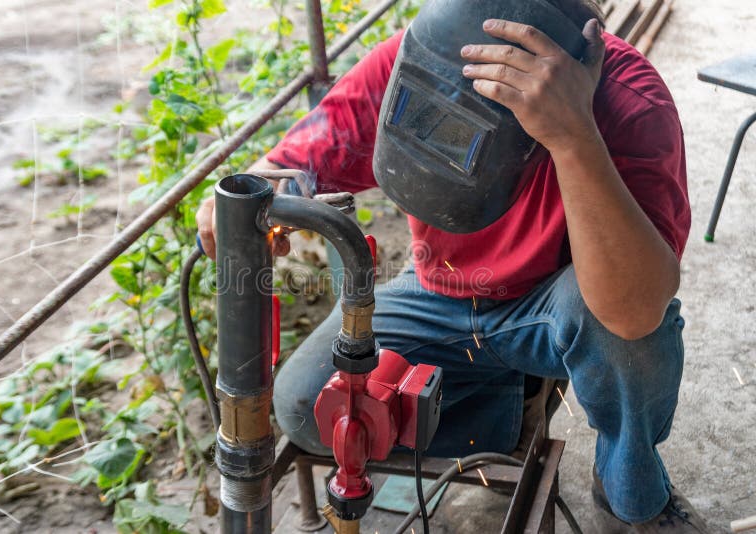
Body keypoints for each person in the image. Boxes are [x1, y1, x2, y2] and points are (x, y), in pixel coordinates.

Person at [196, 0, 708, 531]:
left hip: (557, 303)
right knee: (308, 406)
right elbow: (298, 162)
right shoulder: (425, 54)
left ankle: (631, 488)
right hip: (438, 291)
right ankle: (505, 413)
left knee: (631, 338)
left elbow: (635, 308)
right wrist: (250, 196)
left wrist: (573, 135)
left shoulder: (630, 101)